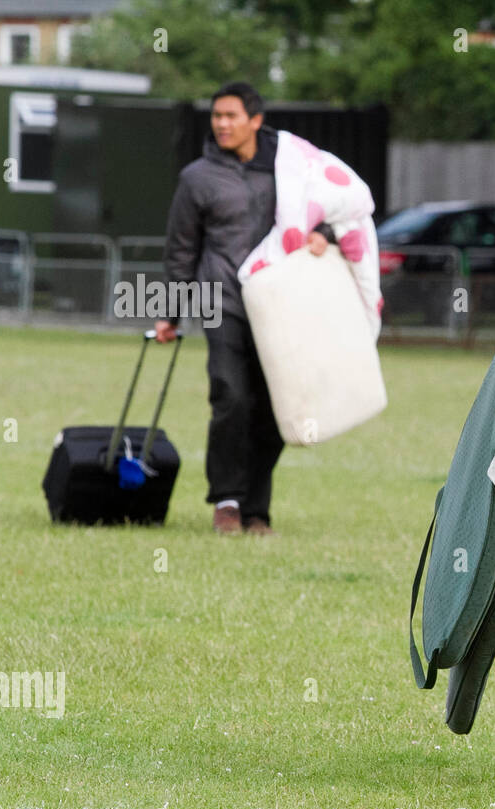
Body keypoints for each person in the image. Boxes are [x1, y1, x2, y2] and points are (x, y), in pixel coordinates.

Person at [155, 82, 330, 535]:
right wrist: (170, 312)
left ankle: (257, 509)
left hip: (280, 308)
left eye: (231, 116)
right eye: (217, 116)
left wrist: (323, 234)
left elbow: (327, 209)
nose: (222, 124)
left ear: (255, 119)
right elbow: (181, 250)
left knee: (274, 406)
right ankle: (228, 502)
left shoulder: (291, 168)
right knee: (231, 396)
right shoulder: (196, 178)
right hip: (222, 301)